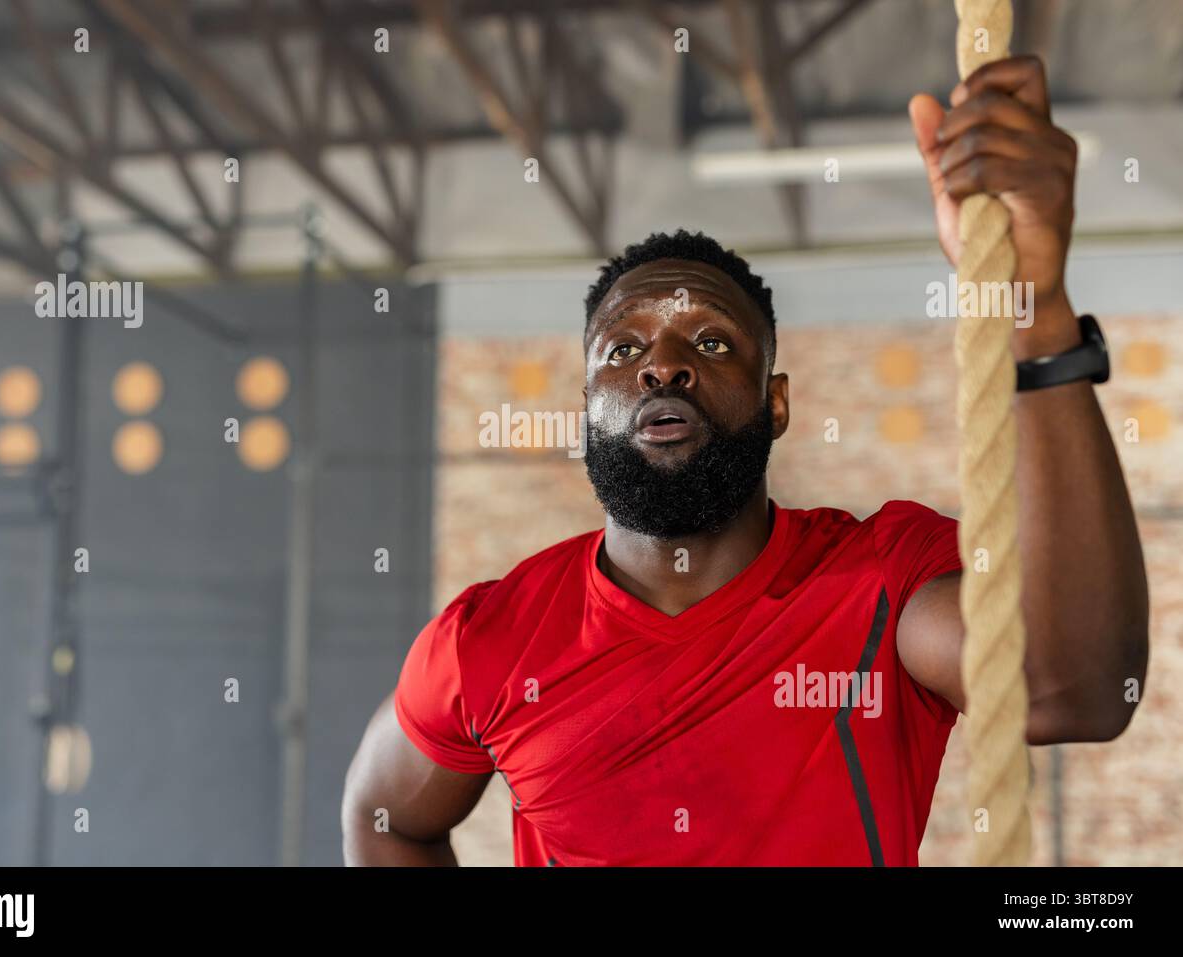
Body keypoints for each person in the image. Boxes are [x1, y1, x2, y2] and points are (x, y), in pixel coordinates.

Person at [341, 56, 1148, 866]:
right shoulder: (491, 640)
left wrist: (1037, 305)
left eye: (711, 341)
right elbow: (385, 816)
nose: (662, 366)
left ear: (777, 404)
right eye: (624, 348)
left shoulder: (878, 585)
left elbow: (1070, 688)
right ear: (587, 409)